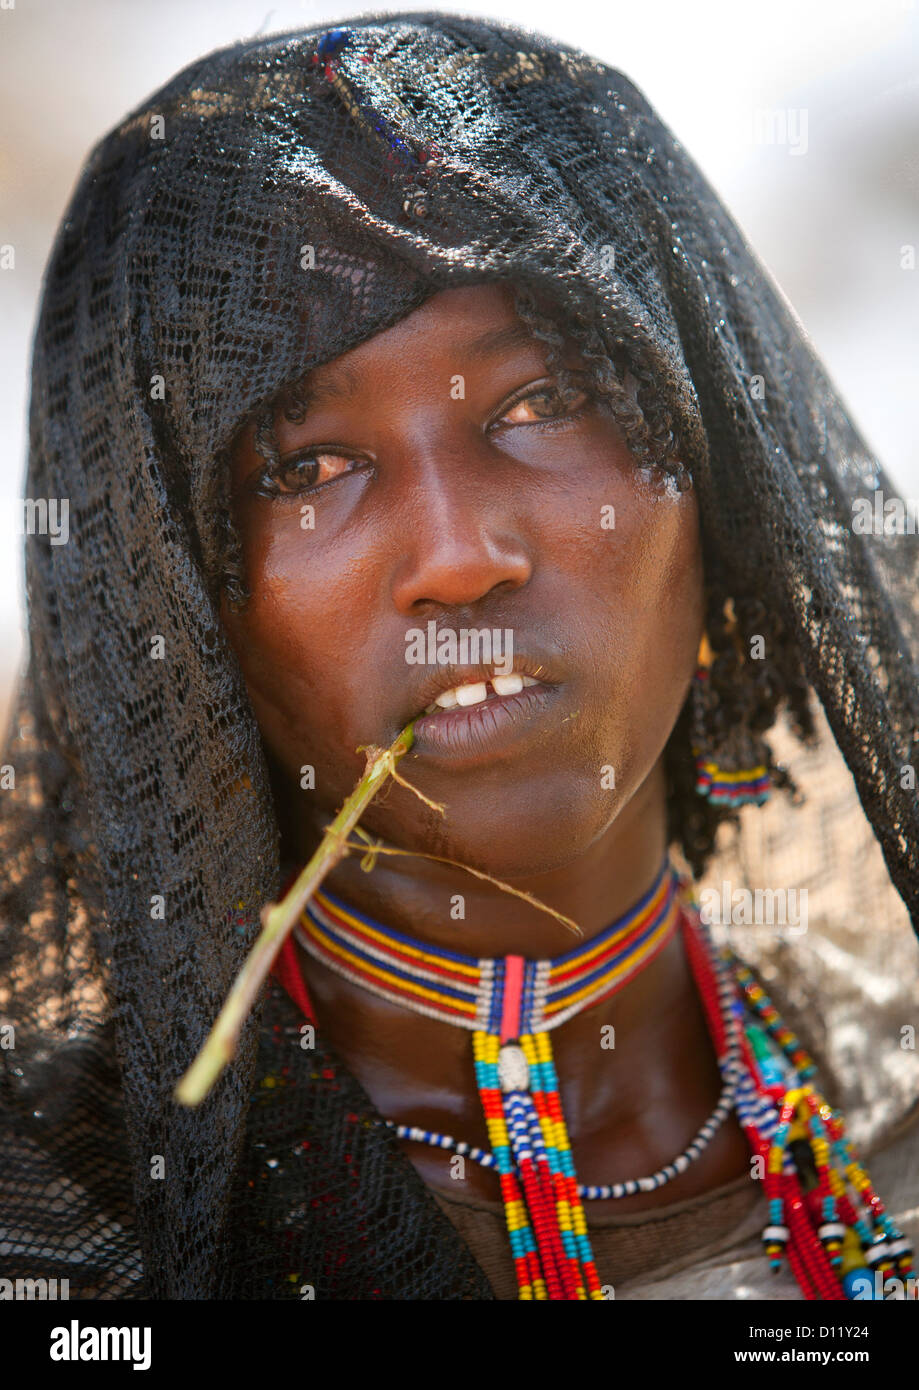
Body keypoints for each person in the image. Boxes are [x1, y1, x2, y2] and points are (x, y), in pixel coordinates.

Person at [1, 12, 918, 1301]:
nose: (457, 553)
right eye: (307, 467)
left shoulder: (894, 1100)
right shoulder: (63, 1240)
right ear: (177, 593)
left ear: (718, 479)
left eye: (542, 401)